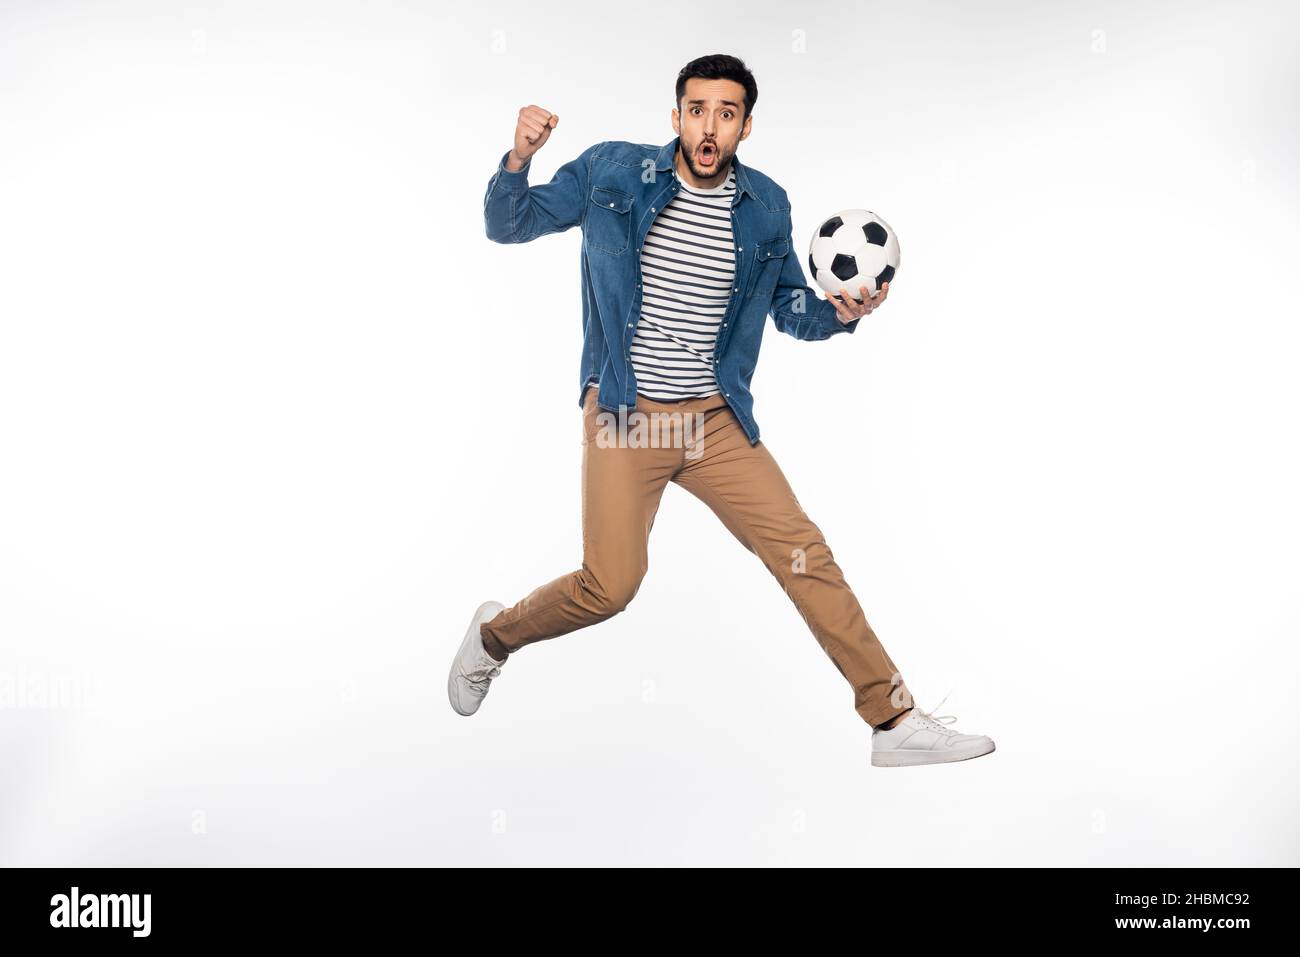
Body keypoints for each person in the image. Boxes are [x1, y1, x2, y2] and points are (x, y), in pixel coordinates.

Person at [450, 53, 995, 767]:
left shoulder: (766, 205)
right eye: (698, 110)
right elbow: (506, 224)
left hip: (712, 422)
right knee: (609, 586)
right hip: (627, 414)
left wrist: (840, 311)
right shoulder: (612, 173)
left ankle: (892, 722)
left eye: (727, 114)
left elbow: (788, 311)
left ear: (745, 126)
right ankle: (495, 637)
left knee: (805, 555)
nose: (711, 127)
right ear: (675, 117)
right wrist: (519, 158)